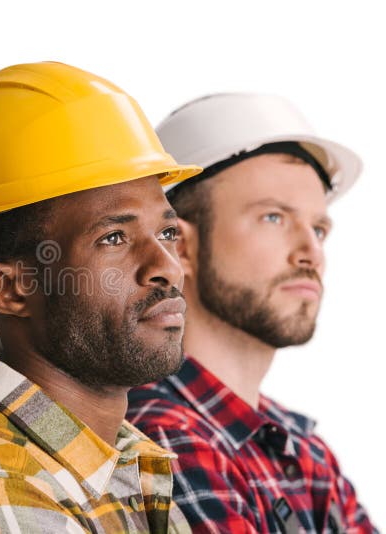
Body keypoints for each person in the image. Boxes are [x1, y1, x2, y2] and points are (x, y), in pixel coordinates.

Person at [0, 61, 201, 533]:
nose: (167, 267)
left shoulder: (128, 464)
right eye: (114, 238)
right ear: (11, 287)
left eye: (166, 231)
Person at [126, 93, 377, 533]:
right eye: (274, 218)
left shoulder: (302, 449)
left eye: (318, 228)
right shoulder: (162, 441)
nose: (311, 253)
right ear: (179, 246)